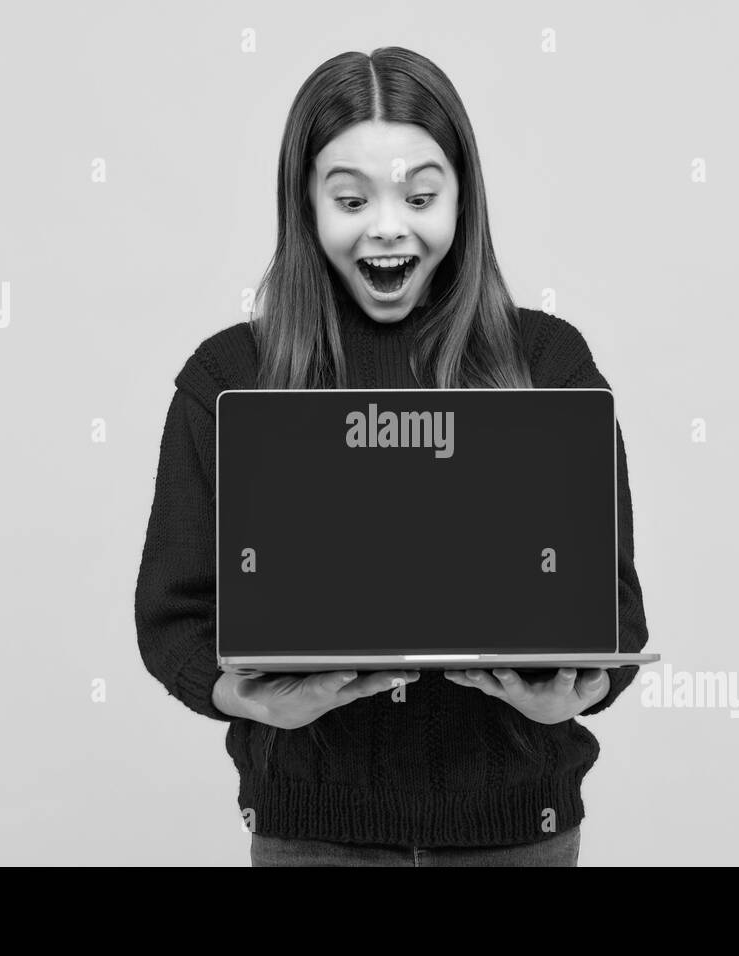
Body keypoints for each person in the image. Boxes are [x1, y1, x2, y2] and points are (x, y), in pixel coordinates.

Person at [135, 46, 650, 867]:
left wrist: (578, 690)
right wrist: (249, 699)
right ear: (304, 204)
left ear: (462, 200)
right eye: (350, 197)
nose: (386, 224)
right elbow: (173, 615)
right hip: (310, 834)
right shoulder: (231, 378)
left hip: (520, 834)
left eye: (419, 195)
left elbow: (616, 613)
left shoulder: (550, 365)